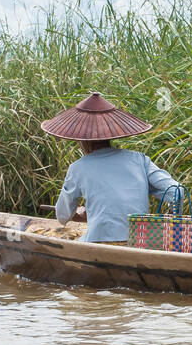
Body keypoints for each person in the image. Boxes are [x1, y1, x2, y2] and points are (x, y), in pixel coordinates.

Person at [41, 92, 181, 243]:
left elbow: (62, 215)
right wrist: (169, 218)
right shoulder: (139, 160)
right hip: (140, 242)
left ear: (82, 140)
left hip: (99, 242)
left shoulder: (78, 168)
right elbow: (177, 193)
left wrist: (78, 214)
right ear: (110, 136)